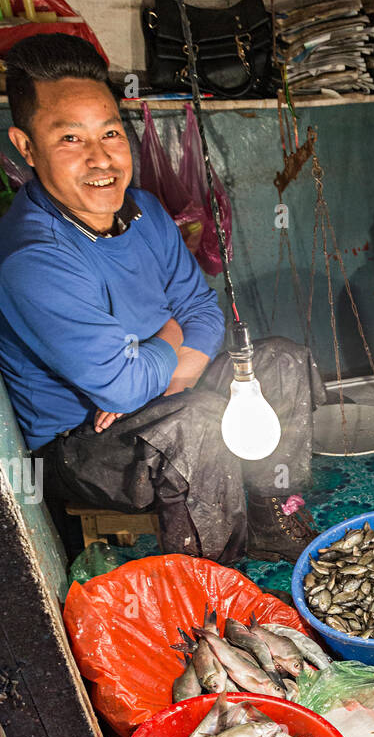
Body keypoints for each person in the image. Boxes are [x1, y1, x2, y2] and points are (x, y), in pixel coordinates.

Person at [0, 34, 324, 564]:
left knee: (281, 361)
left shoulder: (145, 212)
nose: (101, 158)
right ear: (26, 146)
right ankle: (213, 580)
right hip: (81, 445)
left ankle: (273, 517)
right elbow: (122, 381)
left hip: (162, 398)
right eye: (70, 140)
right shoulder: (33, 258)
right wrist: (169, 342)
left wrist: (167, 370)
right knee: (195, 423)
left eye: (109, 132)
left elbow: (200, 309)